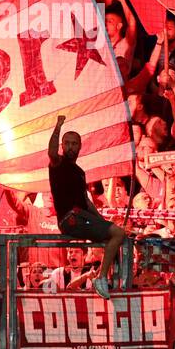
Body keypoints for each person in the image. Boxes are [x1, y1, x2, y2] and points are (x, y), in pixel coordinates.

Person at [47, 114, 126, 298]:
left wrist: (103, 221)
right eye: (67, 143)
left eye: (74, 143)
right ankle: (101, 279)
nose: (70, 147)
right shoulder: (58, 163)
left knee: (113, 238)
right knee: (119, 234)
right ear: (62, 145)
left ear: (80, 146)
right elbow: (51, 152)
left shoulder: (80, 172)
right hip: (71, 218)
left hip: (81, 216)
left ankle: (106, 278)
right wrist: (58, 125)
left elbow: (87, 201)